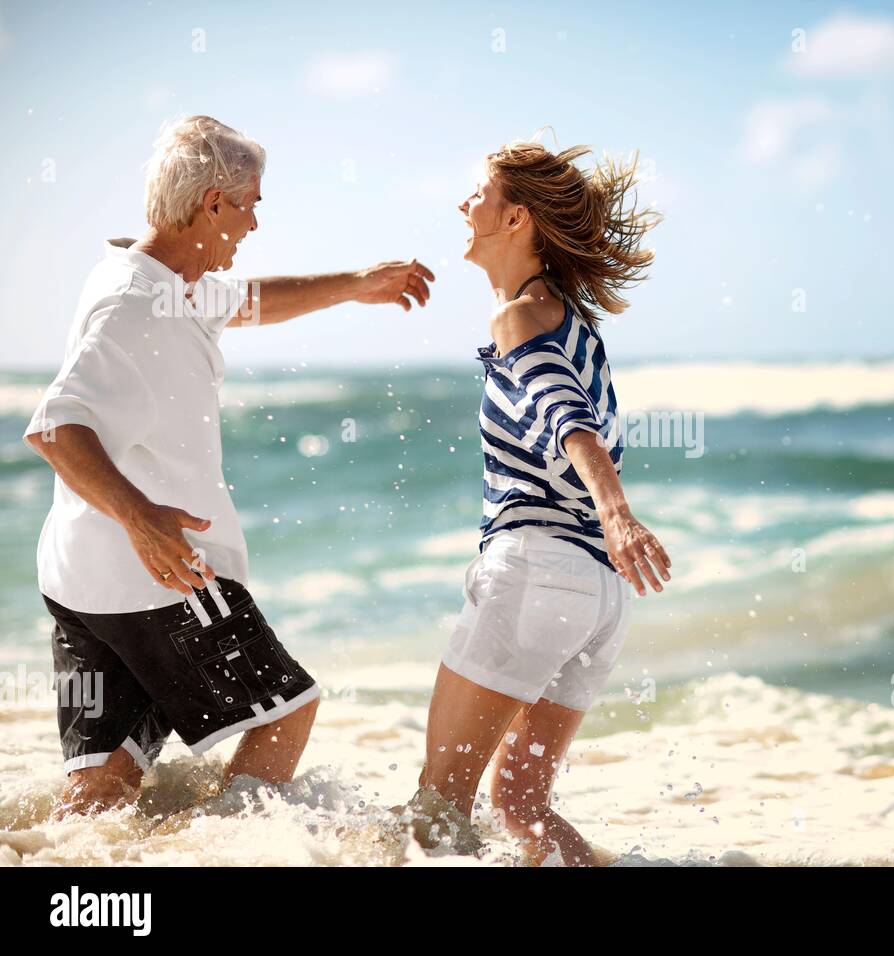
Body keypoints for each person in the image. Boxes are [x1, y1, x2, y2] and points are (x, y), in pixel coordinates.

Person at [23, 115, 434, 817]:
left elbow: (248, 301)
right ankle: (235, 851)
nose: (253, 225)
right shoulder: (135, 305)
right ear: (214, 202)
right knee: (286, 712)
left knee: (104, 790)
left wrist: (356, 284)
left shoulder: (158, 280)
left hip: (82, 580)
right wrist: (143, 521)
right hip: (156, 578)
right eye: (250, 206)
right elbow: (56, 429)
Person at [402, 138, 669, 865]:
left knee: (438, 803)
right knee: (521, 806)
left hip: (537, 573)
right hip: (599, 597)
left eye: (479, 194)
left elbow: (569, 420)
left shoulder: (519, 317)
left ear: (516, 218)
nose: (464, 204)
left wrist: (617, 512)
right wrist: (610, 526)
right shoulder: (569, 318)